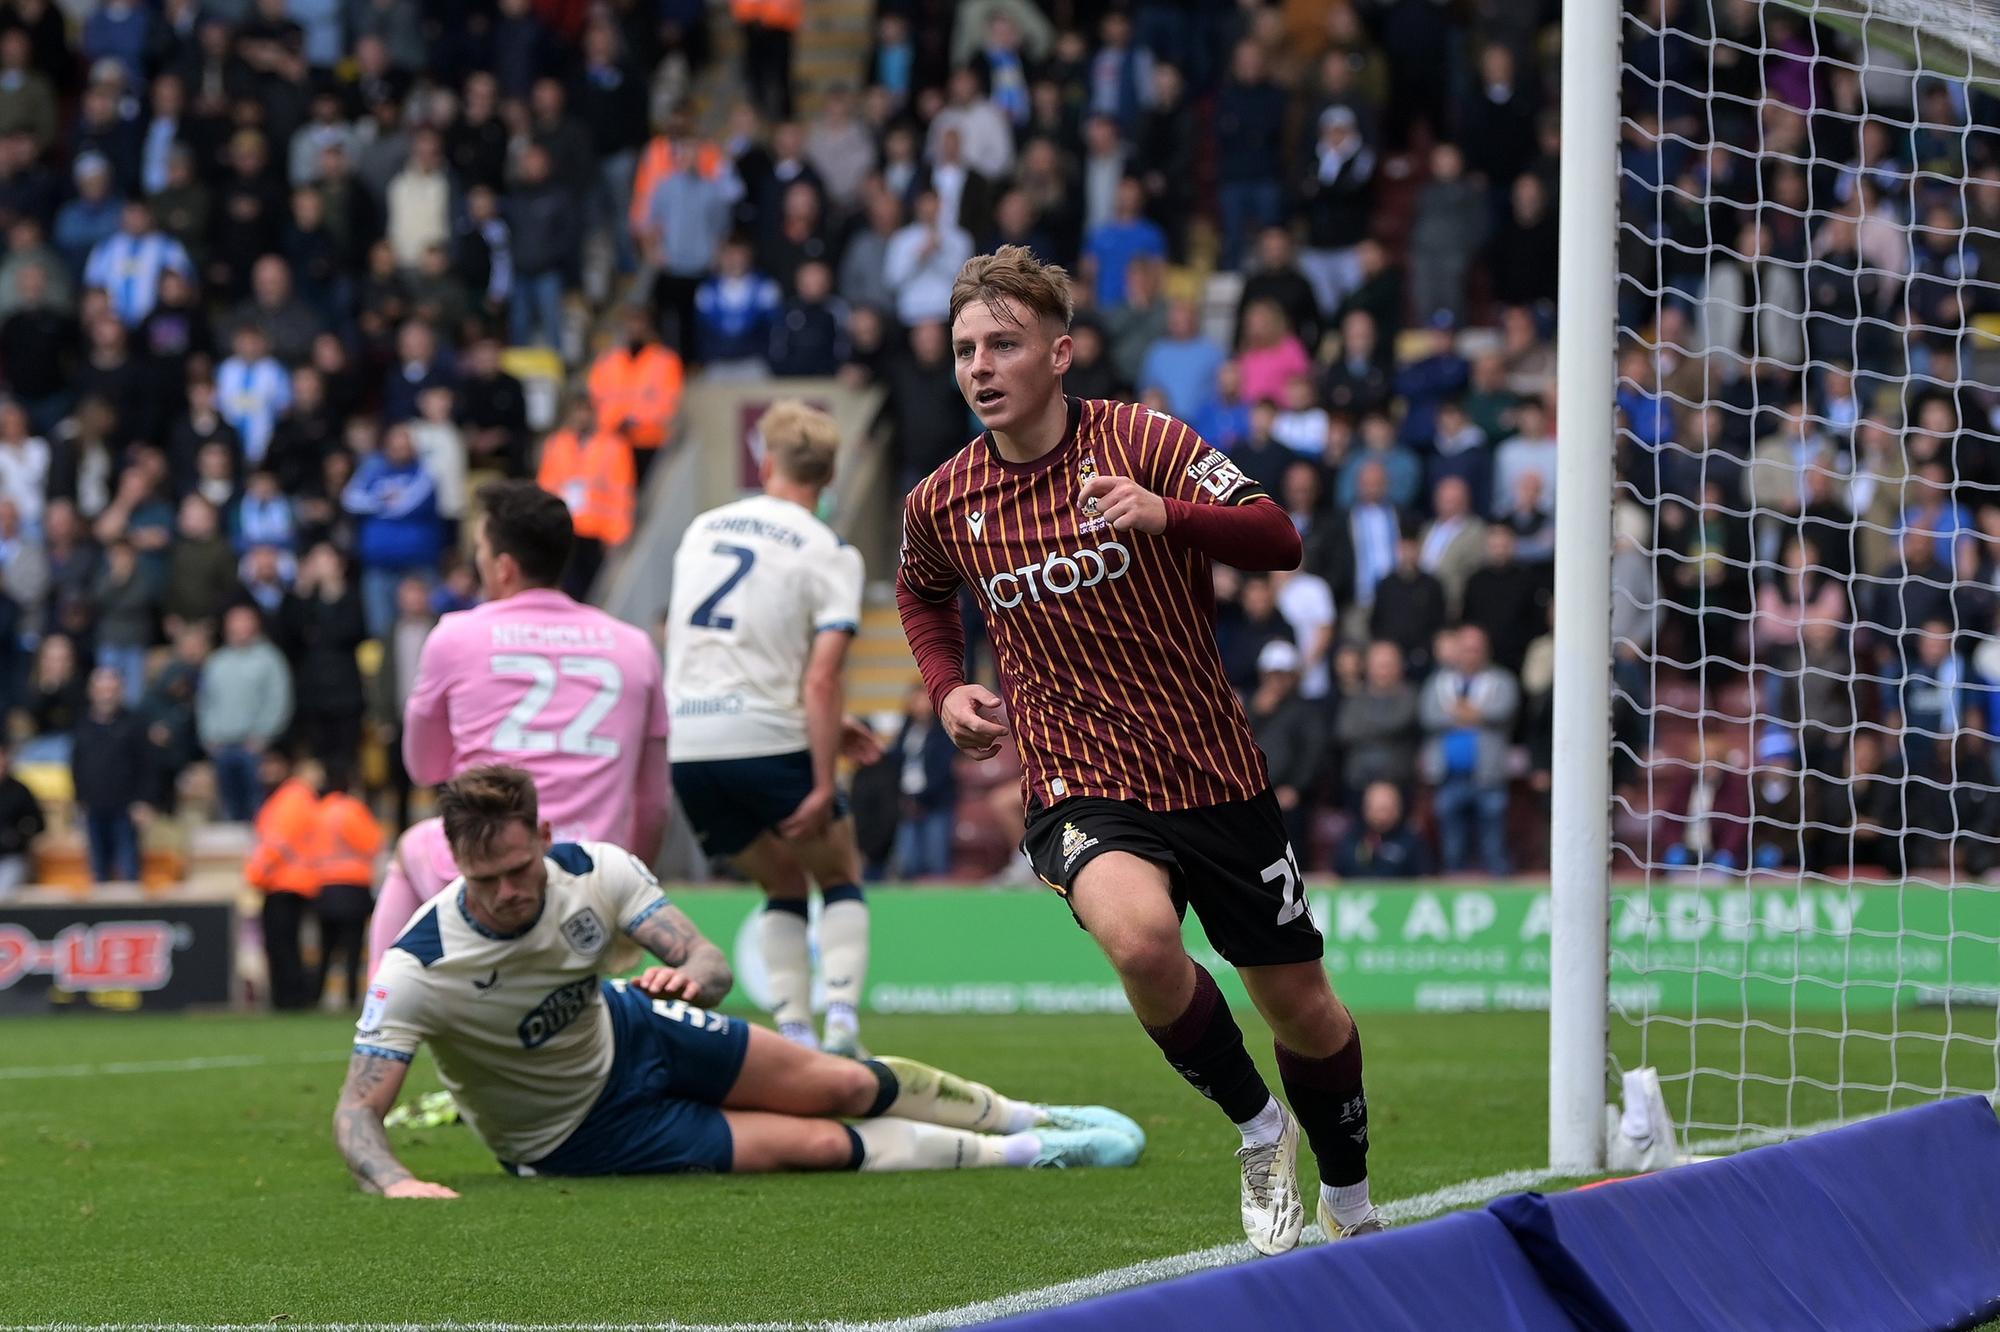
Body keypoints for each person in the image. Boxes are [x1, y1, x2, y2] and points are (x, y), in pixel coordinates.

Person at [895, 246, 1382, 1254]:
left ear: (1060, 353)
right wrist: (946, 689)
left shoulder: (1140, 440)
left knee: (1305, 1011)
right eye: (963, 350)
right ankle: (1257, 1129)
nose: (979, 366)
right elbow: (921, 590)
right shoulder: (943, 499)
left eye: (1003, 345)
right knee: (1140, 940)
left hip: (1210, 769)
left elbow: (1276, 535)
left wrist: (1171, 515)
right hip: (1076, 780)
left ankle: (1352, 1196)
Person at [334, 765, 1142, 1193]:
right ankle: (1033, 1155)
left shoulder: (598, 871)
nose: (507, 893)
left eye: (517, 868)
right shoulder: (418, 968)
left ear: (544, 835)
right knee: (822, 1145)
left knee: (839, 1085)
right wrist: (398, 1182)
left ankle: (1035, 1114)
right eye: (484, 881)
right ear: (455, 867)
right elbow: (358, 1114)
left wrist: (692, 978)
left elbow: (709, 964)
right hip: (573, 1135)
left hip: (633, 1027)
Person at [666, 400, 871, 1056]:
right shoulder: (828, 550)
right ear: (830, 476)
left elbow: (707, 647)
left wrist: (830, 726)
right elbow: (819, 678)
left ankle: (793, 1031)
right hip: (773, 741)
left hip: (692, 745)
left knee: (780, 880)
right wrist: (820, 778)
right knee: (837, 873)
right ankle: (840, 1021)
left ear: (766, 460)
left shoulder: (702, 529)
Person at [309, 761, 381, 1008]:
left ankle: (316, 997)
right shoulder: (351, 809)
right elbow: (372, 843)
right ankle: (351, 998)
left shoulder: (317, 811)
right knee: (352, 947)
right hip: (352, 885)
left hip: (322, 887)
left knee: (325, 948)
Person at [70, 665, 147, 882]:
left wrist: (143, 801)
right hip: (93, 807)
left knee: (129, 869)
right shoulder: (82, 724)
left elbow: (146, 765)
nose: (107, 694)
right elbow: (76, 765)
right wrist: (79, 799)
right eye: (101, 689)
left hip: (126, 809)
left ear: (120, 691)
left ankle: (134, 914)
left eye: (112, 689)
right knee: (98, 871)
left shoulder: (134, 724)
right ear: (92, 691)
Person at [1333, 781, 1432, 880]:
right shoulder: (1351, 839)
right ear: (1366, 809)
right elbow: (1334, 876)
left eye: (1385, 808)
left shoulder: (1412, 842)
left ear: (1397, 810)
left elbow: (1424, 880)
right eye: (1377, 809)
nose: (1381, 815)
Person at [0, 739, 45, 896]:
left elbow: (38, 823)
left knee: (3, 893)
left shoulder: (19, 791)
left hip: (11, 858)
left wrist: (18, 835)